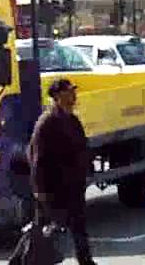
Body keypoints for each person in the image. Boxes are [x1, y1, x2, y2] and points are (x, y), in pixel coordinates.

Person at [29, 79, 97, 265]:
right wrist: (40, 191)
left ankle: (85, 261)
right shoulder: (47, 122)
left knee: (79, 226)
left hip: (74, 185)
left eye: (73, 91)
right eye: (69, 92)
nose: (74, 95)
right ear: (58, 96)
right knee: (50, 230)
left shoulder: (72, 119)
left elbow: (82, 148)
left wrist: (87, 170)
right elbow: (37, 159)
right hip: (54, 188)